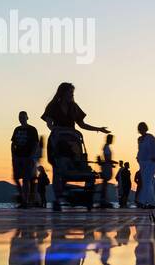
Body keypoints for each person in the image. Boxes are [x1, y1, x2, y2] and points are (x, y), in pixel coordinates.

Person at [41, 82, 109, 212]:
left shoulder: (74, 107)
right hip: (58, 141)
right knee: (58, 169)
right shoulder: (53, 106)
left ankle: (84, 196)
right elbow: (49, 124)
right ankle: (57, 198)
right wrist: (58, 129)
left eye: (72, 93)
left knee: (79, 165)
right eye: (70, 93)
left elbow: (82, 124)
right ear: (63, 93)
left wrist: (98, 129)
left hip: (72, 142)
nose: (72, 95)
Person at [10, 111, 41, 208]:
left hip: (28, 157)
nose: (21, 118)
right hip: (18, 157)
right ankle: (23, 198)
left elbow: (36, 144)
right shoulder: (17, 129)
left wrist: (32, 156)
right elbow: (13, 143)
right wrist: (13, 155)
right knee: (16, 178)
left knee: (26, 179)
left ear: (27, 117)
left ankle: (25, 201)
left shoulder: (32, 129)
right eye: (20, 117)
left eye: (23, 117)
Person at [136, 122, 155, 209]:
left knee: (147, 182)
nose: (141, 129)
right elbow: (140, 150)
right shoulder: (139, 139)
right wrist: (138, 158)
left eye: (142, 127)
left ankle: (140, 201)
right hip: (142, 163)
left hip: (151, 162)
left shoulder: (150, 137)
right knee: (148, 183)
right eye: (139, 128)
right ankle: (152, 203)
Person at [98, 132, 116, 207]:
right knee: (105, 183)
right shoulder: (107, 148)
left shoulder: (106, 147)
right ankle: (103, 200)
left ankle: (103, 199)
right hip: (106, 167)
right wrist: (113, 162)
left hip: (107, 166)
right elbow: (107, 158)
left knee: (105, 183)